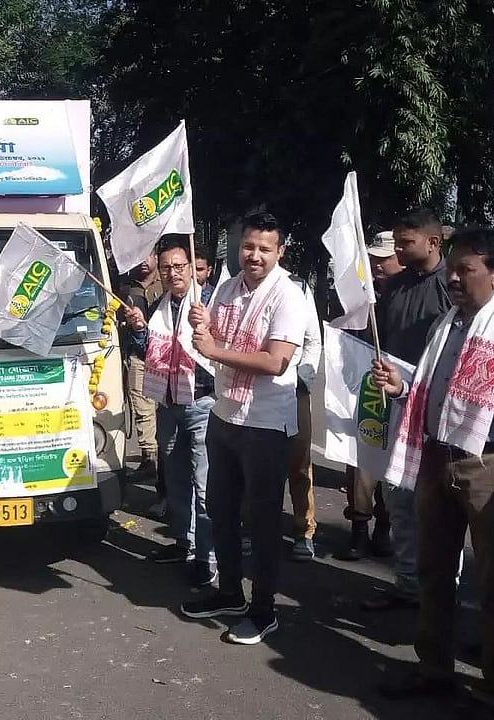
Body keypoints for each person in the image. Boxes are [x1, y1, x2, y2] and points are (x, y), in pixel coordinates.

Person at [374, 227, 494, 713]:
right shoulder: (447, 324)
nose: (452, 278)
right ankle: (434, 669)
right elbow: (438, 385)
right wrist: (403, 385)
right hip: (438, 458)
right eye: (451, 268)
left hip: (492, 468)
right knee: (435, 574)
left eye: (465, 270)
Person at [179, 211, 309, 646]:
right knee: (221, 510)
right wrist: (202, 323)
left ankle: (264, 608)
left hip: (265, 424)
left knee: (264, 519)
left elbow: (276, 361)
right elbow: (211, 336)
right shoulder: (228, 288)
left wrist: (216, 347)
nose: (254, 256)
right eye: (248, 246)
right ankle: (230, 593)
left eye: (264, 249)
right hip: (224, 415)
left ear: (280, 252)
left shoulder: (288, 296)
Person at [362, 209, 453, 611]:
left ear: (433, 243)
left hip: (439, 414)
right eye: (396, 241)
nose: (398, 248)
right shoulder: (394, 287)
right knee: (397, 496)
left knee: (440, 508)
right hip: (396, 406)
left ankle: (442, 591)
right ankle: (407, 584)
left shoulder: (453, 286)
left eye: (406, 241)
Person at [124, 237, 217, 587]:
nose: (173, 273)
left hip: (202, 402)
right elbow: (145, 350)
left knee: (203, 484)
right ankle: (185, 543)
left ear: (192, 268)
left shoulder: (210, 302)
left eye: (180, 266)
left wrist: (206, 325)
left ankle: (208, 558)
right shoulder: (160, 307)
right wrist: (138, 329)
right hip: (167, 401)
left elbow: (223, 349)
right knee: (175, 479)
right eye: (167, 268)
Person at [338, 230, 401, 561]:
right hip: (365, 389)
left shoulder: (410, 293)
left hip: (401, 391)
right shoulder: (360, 298)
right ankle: (359, 529)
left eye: (383, 259)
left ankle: (385, 527)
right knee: (362, 462)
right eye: (373, 258)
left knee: (393, 465)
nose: (376, 265)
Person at [283, 264, 323, 561]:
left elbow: (312, 341)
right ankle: (253, 528)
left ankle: (304, 530)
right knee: (252, 465)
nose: (255, 255)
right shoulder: (236, 287)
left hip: (292, 392)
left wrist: (302, 380)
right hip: (253, 393)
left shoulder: (297, 287)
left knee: (299, 464)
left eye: (265, 247)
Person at [119, 253, 163, 489]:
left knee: (164, 410)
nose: (143, 260)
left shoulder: (166, 283)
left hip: (164, 354)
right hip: (137, 355)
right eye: (139, 254)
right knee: (142, 408)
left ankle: (163, 461)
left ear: (156, 256)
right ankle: (149, 459)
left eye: (148, 254)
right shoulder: (124, 286)